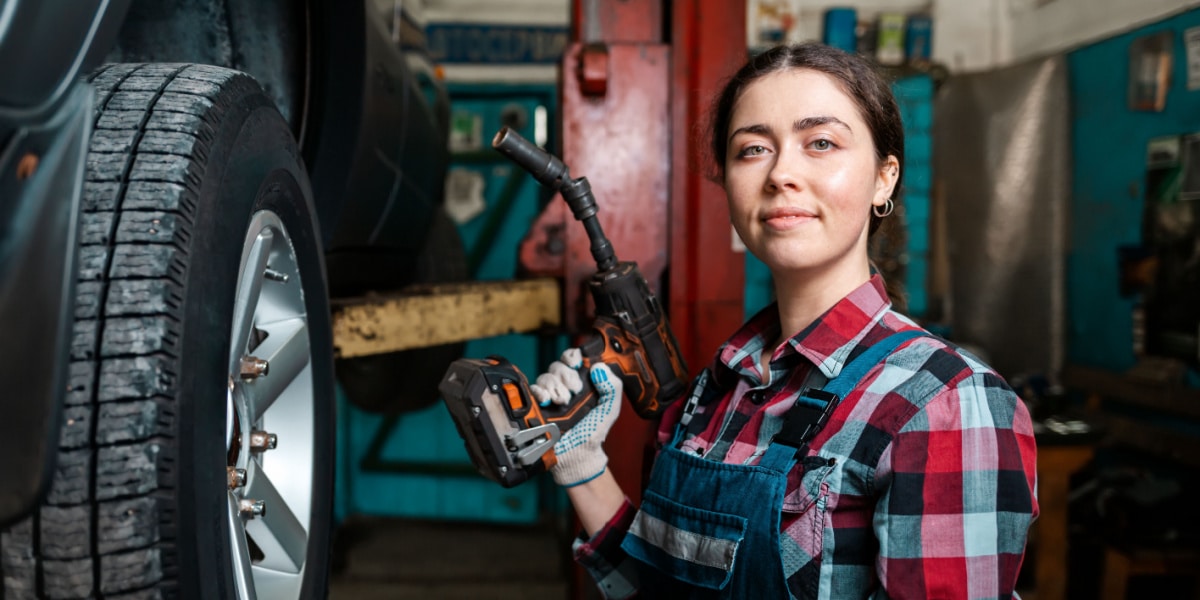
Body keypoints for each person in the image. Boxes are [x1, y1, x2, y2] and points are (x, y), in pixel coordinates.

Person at [529, 42, 1039, 599]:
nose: (781, 174)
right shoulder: (712, 394)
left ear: (884, 179)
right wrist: (579, 461)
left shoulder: (943, 404)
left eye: (820, 143)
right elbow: (652, 589)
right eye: (753, 149)